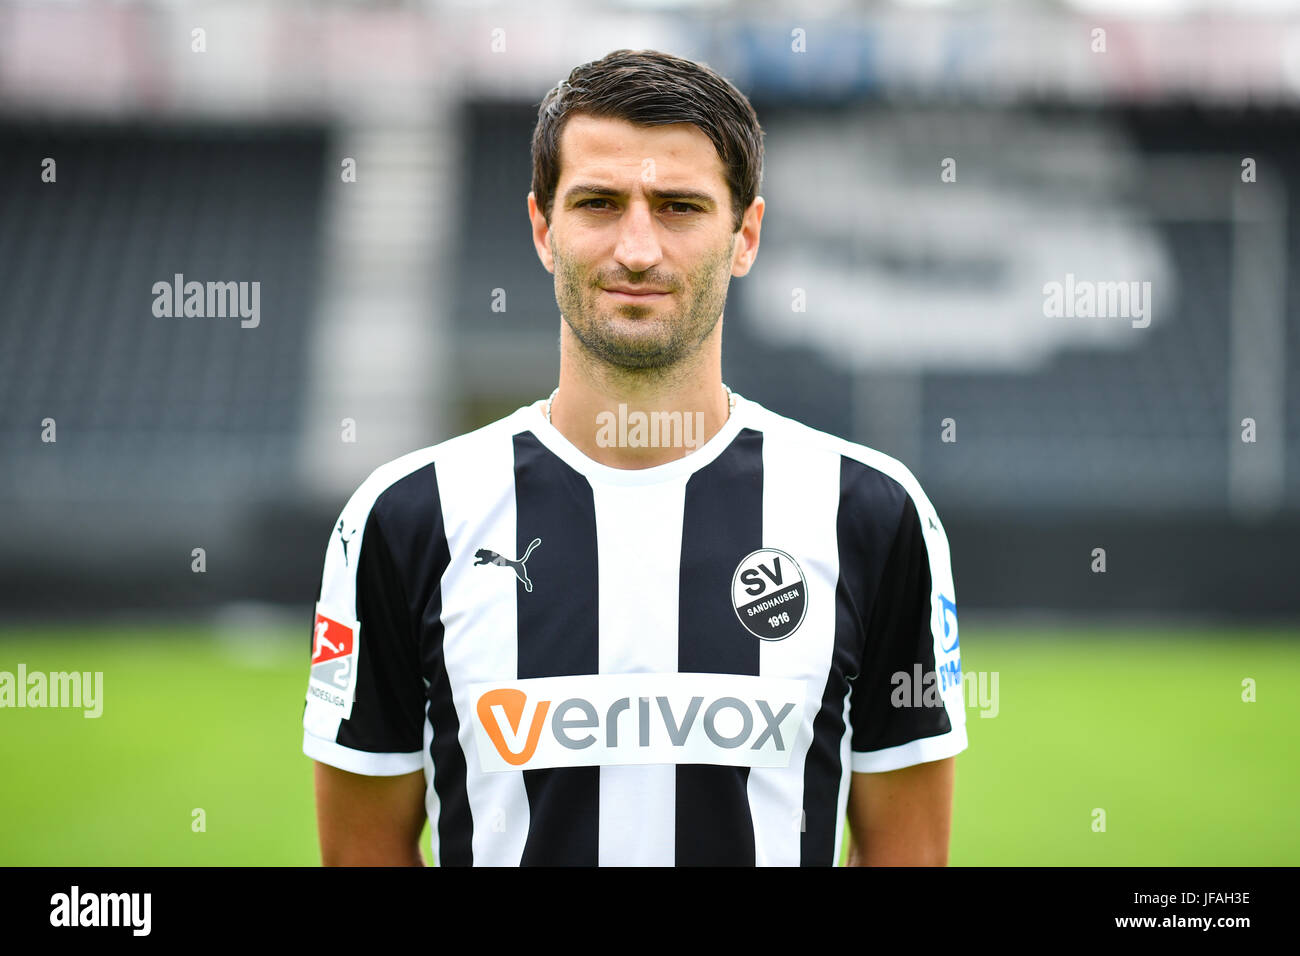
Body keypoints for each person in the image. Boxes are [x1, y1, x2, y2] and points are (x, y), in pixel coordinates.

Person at [304, 48, 966, 867]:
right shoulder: (405, 518)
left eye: (681, 206)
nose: (639, 249)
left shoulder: (870, 513)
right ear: (545, 230)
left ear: (745, 235)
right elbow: (365, 849)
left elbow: (907, 851)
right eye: (599, 203)